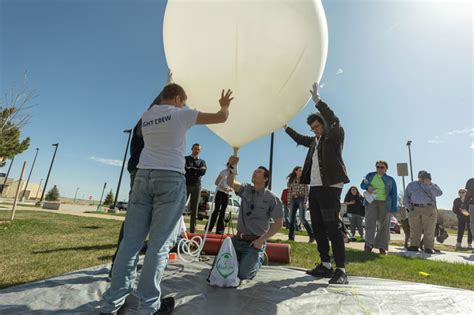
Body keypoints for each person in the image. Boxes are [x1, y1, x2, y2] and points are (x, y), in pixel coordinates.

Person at [99, 84, 234, 315]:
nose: (185, 105)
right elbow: (221, 118)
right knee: (159, 245)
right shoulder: (181, 115)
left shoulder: (147, 116)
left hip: (143, 177)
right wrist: (224, 105)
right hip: (169, 179)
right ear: (179, 99)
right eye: (184, 101)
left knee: (130, 243)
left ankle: (111, 303)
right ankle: (149, 306)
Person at [284, 82, 350, 285]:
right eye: (312, 128)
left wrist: (317, 101)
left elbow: (334, 119)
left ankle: (341, 270)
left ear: (324, 124)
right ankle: (325, 265)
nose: (314, 130)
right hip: (314, 188)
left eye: (317, 126)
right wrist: (285, 126)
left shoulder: (334, 136)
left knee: (332, 227)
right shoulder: (314, 142)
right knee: (319, 227)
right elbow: (300, 138)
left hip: (331, 188)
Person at [110, 70, 173, 275]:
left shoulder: (147, 126)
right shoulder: (147, 122)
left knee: (136, 222)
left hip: (143, 173)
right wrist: (167, 87)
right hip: (141, 174)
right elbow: (155, 108)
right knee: (135, 223)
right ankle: (120, 267)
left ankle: (120, 266)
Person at [226, 155, 283, 280]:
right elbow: (230, 182)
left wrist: (261, 240)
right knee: (223, 270)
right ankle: (245, 260)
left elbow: (278, 224)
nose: (254, 172)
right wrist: (231, 166)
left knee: (243, 275)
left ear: (266, 178)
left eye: (259, 172)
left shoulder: (272, 199)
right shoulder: (246, 189)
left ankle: (259, 258)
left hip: (254, 243)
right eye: (254, 170)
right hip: (237, 240)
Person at [360, 161, 398, 255]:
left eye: (382, 167)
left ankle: (382, 246)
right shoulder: (370, 175)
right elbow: (362, 185)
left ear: (386, 169)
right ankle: (368, 245)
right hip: (371, 202)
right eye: (378, 167)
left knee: (384, 225)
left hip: (385, 203)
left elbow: (394, 194)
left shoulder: (390, 179)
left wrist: (393, 208)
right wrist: (368, 186)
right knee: (369, 223)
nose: (379, 169)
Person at [403, 170, 443, 254]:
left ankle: (428, 247)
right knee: (414, 228)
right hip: (414, 208)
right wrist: (408, 207)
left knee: (429, 229)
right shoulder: (411, 185)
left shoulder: (432, 185)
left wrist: (429, 184)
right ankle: (414, 246)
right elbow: (406, 196)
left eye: (423, 177)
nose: (421, 179)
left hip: (429, 208)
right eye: (420, 177)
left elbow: (439, 193)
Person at [287, 166, 314, 242]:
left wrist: (305, 202)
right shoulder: (291, 180)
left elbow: (307, 192)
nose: (301, 171)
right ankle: (291, 238)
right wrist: (289, 202)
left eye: (302, 170)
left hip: (301, 199)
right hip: (293, 199)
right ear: (296, 171)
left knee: (302, 218)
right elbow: (289, 192)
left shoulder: (304, 180)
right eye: (300, 170)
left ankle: (312, 236)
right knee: (291, 219)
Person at [185, 143, 207, 233]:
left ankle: (192, 231)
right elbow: (186, 169)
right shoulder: (185, 159)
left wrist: (192, 169)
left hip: (196, 186)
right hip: (185, 185)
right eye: (195, 148)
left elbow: (203, 172)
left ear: (200, 151)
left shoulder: (202, 161)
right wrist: (197, 170)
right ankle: (177, 229)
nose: (196, 150)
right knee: (180, 207)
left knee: (194, 210)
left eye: (198, 149)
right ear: (192, 149)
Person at [206, 163, 233, 234]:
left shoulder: (232, 174)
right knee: (216, 210)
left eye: (232, 166)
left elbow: (232, 185)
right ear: (227, 165)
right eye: (229, 165)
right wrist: (223, 188)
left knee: (223, 212)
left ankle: (220, 231)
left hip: (226, 194)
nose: (230, 167)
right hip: (220, 192)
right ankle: (208, 228)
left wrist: (230, 189)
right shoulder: (223, 172)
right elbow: (216, 182)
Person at [461, 178, 474, 252]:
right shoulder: (471, 181)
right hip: (473, 205)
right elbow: (468, 194)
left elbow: (468, 194)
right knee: (472, 226)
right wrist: (464, 205)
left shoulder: (471, 181)